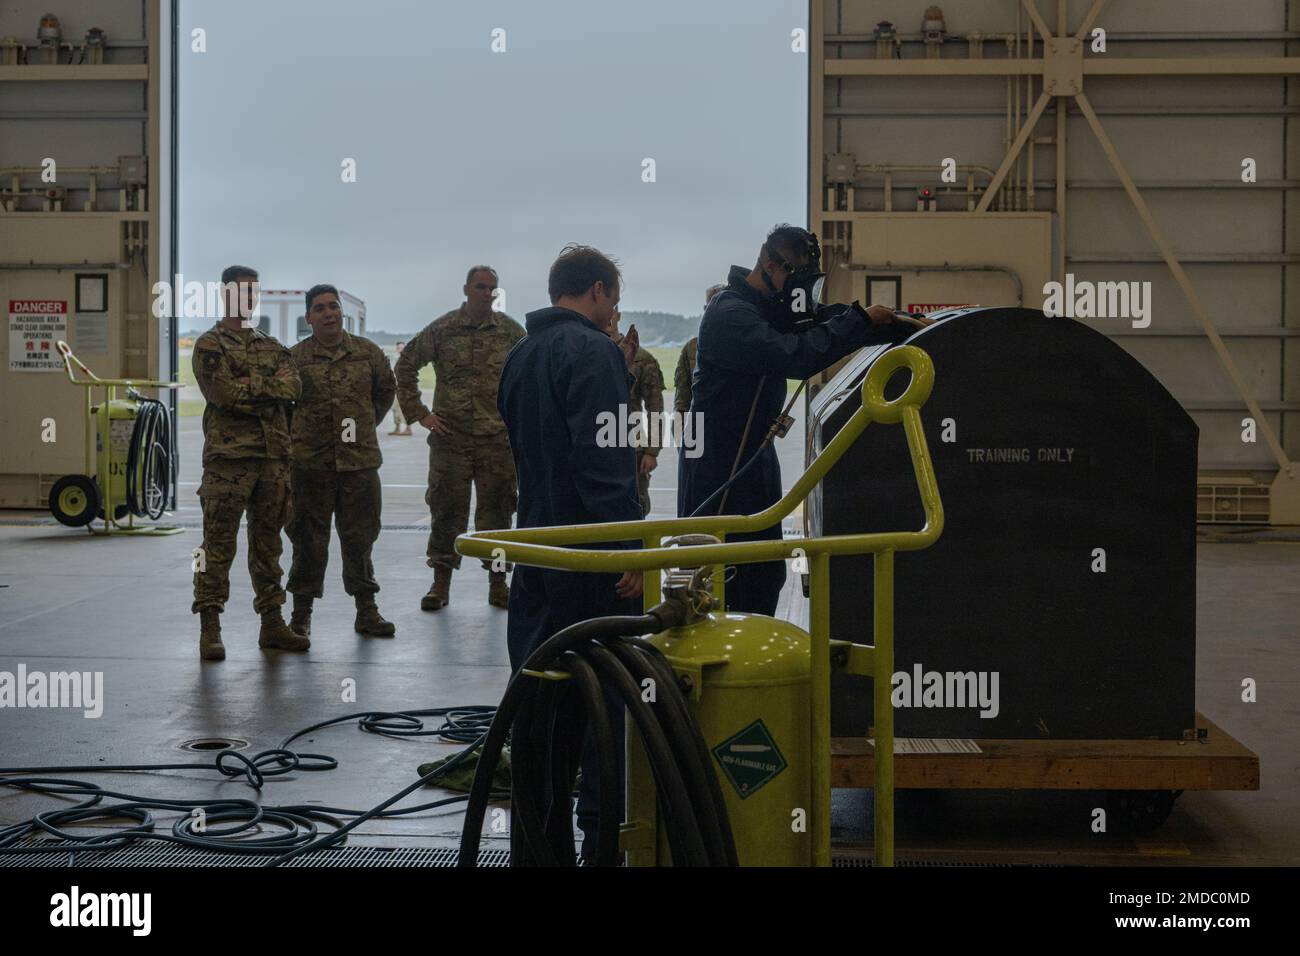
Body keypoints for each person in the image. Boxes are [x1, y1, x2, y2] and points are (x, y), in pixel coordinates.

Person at [677, 224, 924, 616]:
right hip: (721, 469)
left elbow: (822, 320)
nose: (800, 296)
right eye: (795, 281)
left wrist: (893, 322)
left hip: (751, 460)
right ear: (770, 264)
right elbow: (796, 353)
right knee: (724, 576)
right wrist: (859, 322)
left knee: (764, 573)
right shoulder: (731, 313)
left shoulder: (766, 308)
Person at [496, 243, 644, 859]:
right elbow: (604, 468)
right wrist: (629, 551)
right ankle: (602, 846)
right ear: (600, 291)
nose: (614, 312)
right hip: (586, 560)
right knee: (600, 707)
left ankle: (537, 851)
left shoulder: (519, 355)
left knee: (537, 707)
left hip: (533, 545)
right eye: (614, 299)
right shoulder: (594, 351)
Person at [191, 265, 306, 661]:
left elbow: (295, 387)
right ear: (225, 295)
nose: (249, 298)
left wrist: (249, 385)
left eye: (254, 292)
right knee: (217, 546)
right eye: (242, 291)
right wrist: (266, 389)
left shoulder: (272, 346)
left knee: (268, 544)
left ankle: (272, 624)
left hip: (273, 460)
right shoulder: (210, 345)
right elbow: (222, 394)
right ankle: (210, 626)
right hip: (228, 461)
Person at [395, 266, 525, 611]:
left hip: (496, 441)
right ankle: (440, 582)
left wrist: (518, 420)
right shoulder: (443, 329)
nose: (486, 293)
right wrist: (420, 414)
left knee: (497, 514)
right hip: (450, 440)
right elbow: (405, 364)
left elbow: (529, 376)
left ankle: (498, 582)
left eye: (491, 288)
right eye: (480, 287)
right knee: (446, 511)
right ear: (466, 289)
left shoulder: (511, 332)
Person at [286, 284, 398, 639]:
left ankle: (367, 611)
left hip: (359, 466)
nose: (328, 313)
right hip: (309, 468)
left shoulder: (368, 354)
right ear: (309, 318)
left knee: (360, 540)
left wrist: (362, 428)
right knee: (307, 542)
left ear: (341, 312)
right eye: (319, 308)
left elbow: (384, 395)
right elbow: (283, 409)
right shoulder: (294, 359)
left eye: (333, 306)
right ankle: (300, 616)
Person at [610, 309, 664, 516]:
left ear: (618, 314)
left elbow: (655, 408)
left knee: (637, 504)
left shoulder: (642, 358)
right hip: (598, 442)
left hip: (634, 445)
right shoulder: (590, 352)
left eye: (612, 311)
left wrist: (652, 451)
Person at [673, 282, 725, 416]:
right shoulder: (691, 348)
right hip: (698, 426)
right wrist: (679, 433)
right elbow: (682, 401)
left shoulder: (743, 345)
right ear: (705, 309)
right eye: (713, 306)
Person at [388, 341, 412, 435]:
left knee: (405, 408)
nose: (400, 350)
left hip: (404, 388)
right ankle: (397, 428)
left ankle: (408, 428)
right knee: (395, 408)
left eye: (402, 348)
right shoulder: (396, 359)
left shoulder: (408, 361)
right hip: (395, 388)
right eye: (398, 348)